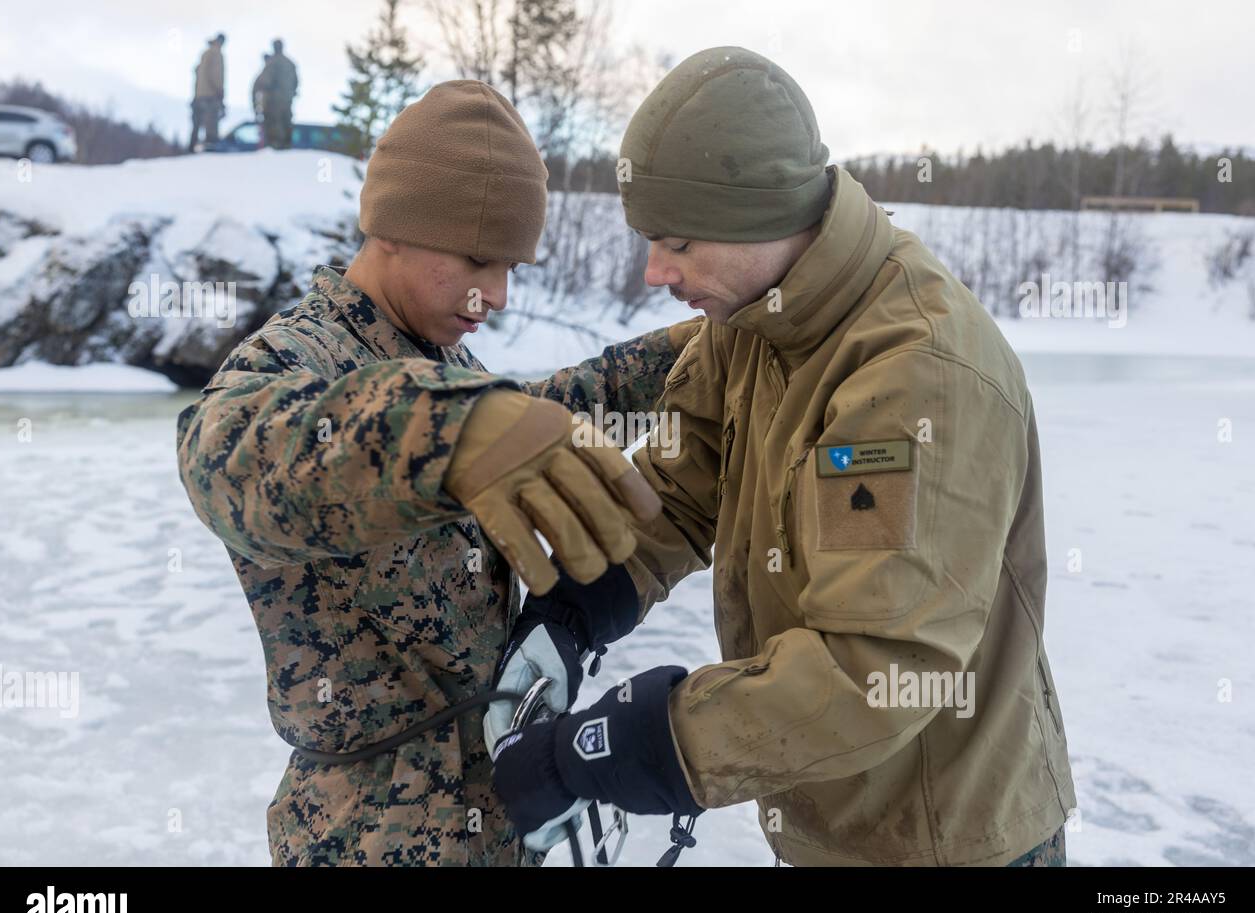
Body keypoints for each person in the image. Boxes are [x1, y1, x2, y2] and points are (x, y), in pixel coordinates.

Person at [492, 47, 1077, 867]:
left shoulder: (914, 376)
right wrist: (583, 603)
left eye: (679, 242)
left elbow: (872, 673)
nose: (657, 272)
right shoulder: (755, 317)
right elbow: (682, 488)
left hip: (945, 838)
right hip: (830, 819)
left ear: (761, 215)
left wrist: (632, 740)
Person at [175, 79, 701, 866]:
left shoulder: (439, 351)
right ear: (394, 224)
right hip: (367, 833)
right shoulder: (295, 358)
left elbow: (545, 409)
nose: (496, 293)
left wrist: (705, 344)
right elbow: (228, 458)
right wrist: (450, 434)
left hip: (496, 809)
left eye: (512, 266)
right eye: (478, 260)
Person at [189, 33, 226, 152]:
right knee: (211, 126)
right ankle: (210, 151)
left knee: (196, 125)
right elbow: (216, 75)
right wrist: (220, 91)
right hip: (211, 96)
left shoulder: (205, 54)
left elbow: (197, 73)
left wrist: (196, 95)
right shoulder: (216, 54)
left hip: (199, 96)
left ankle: (191, 149)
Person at [259, 39, 298, 149]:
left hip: (274, 100)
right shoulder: (290, 63)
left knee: (275, 121)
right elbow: (296, 82)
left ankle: (276, 145)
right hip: (288, 99)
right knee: (286, 120)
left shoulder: (272, 62)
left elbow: (265, 81)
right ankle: (287, 144)